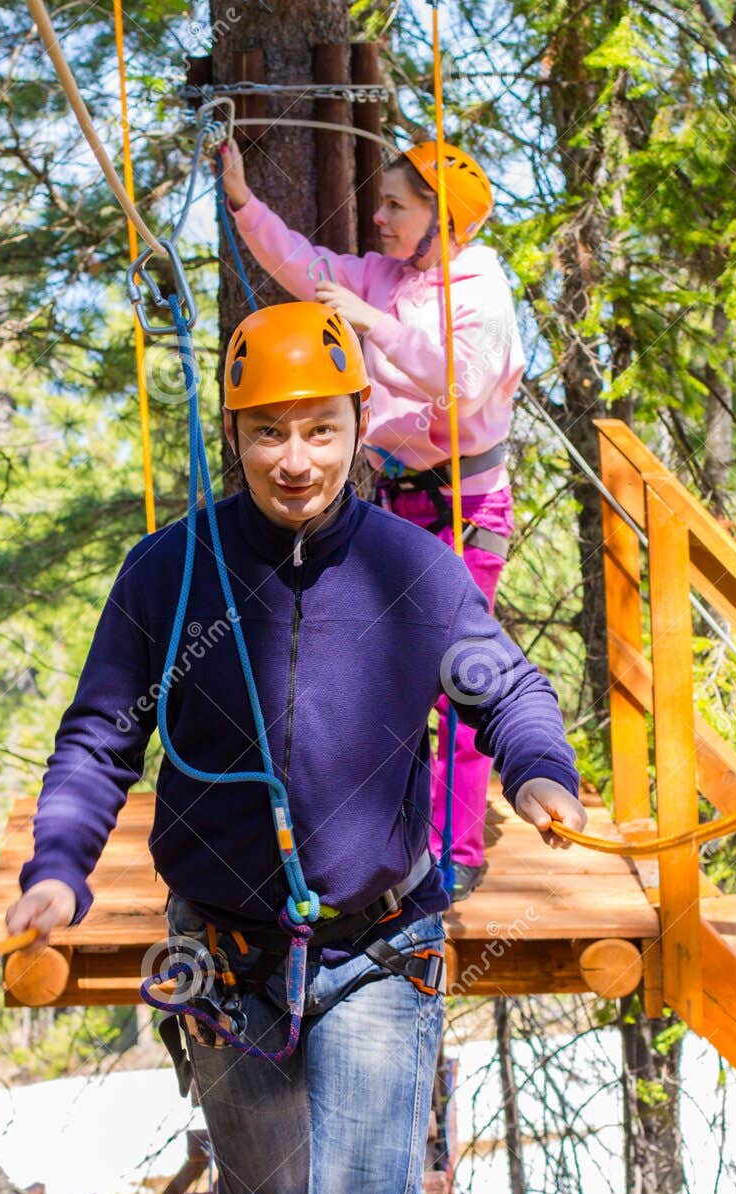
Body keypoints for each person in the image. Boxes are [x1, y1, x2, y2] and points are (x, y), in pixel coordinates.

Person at [6, 302, 586, 1194]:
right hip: (222, 953)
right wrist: (55, 865)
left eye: (317, 431)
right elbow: (100, 734)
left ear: (351, 433)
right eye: (267, 434)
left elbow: (502, 682)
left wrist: (536, 770)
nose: (293, 459)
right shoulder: (173, 576)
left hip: (380, 943)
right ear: (236, 437)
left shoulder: (407, 568)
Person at [218, 136, 524, 901]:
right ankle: (385, 834)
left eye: (396, 206)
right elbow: (303, 265)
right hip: (395, 505)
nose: (378, 218)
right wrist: (243, 205)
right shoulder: (385, 275)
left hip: (464, 506)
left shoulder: (481, 289)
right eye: (381, 203)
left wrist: (371, 322)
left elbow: (454, 376)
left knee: (460, 678)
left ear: (442, 221)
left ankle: (452, 852)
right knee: (383, 677)